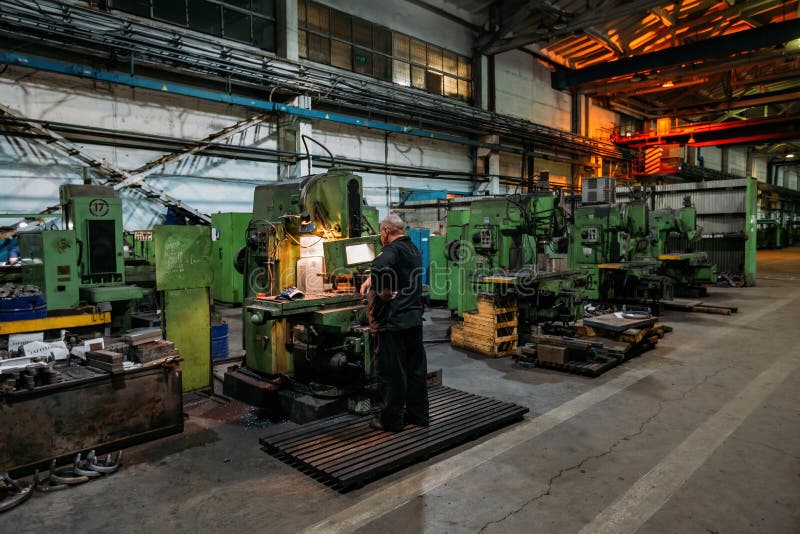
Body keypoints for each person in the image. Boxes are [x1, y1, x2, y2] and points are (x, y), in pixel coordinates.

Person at [360, 214, 429, 432]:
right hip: (413, 320)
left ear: (386, 232)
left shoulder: (390, 250)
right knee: (415, 371)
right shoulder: (413, 249)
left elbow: (379, 265)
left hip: (393, 323)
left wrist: (383, 292)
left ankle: (391, 421)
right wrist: (372, 278)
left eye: (381, 233)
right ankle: (419, 416)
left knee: (392, 374)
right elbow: (398, 270)